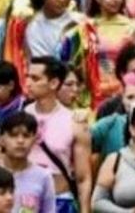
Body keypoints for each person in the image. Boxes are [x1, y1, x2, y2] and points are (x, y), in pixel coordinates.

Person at [24, 57, 92, 213]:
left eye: (35, 78)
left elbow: (83, 177)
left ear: (54, 83)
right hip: (25, 201)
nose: (28, 83)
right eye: (27, 77)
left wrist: (85, 210)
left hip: (60, 202)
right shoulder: (20, 117)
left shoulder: (75, 122)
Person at [0, 112, 56, 213]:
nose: (20, 141)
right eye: (13, 135)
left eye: (26, 136)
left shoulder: (43, 177)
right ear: (1, 139)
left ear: (34, 140)